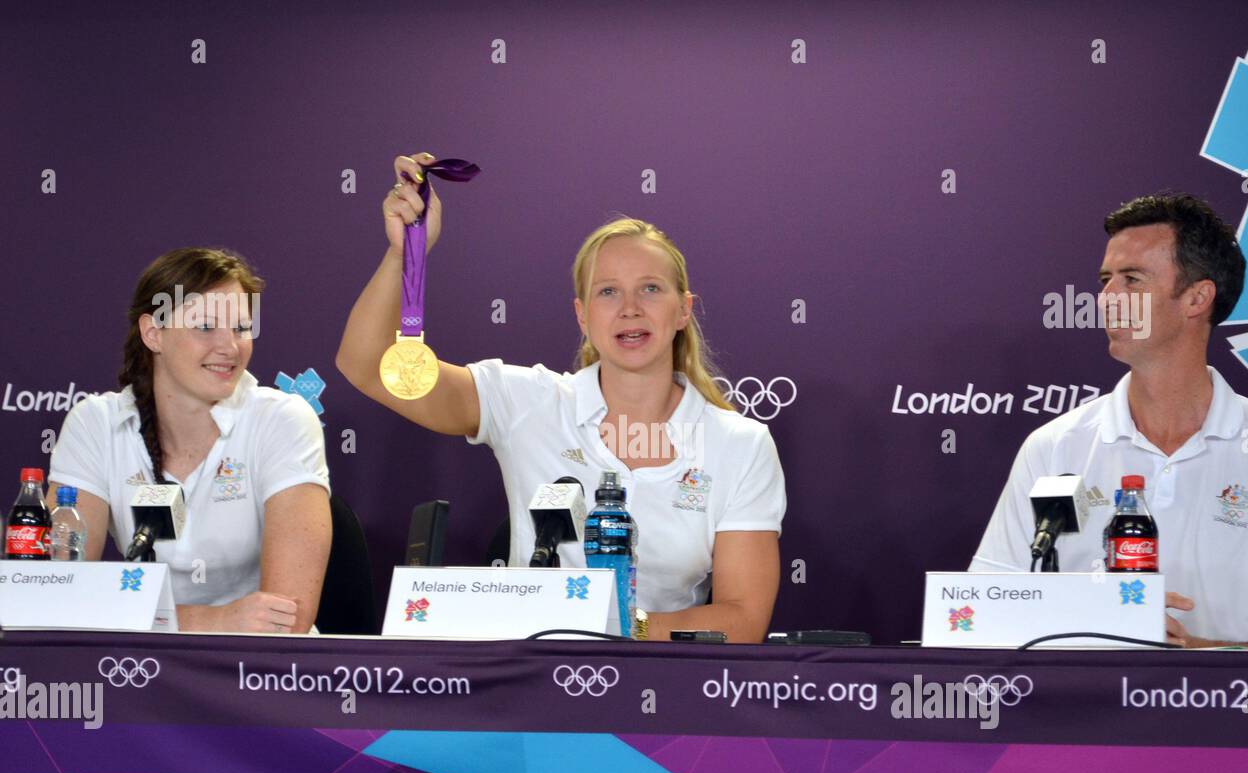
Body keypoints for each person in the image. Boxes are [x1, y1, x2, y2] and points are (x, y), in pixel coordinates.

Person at [336, 152, 785, 643]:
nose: (631, 309)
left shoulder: (741, 445)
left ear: (683, 310)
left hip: (663, 692)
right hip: (535, 690)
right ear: (582, 315)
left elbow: (743, 620)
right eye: (608, 292)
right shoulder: (527, 401)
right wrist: (407, 254)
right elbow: (366, 365)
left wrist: (616, 627)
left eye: (651, 289)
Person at [970, 193, 1248, 647]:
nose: (1105, 299)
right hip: (1078, 714)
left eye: (1132, 280)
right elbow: (983, 612)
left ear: (1197, 298)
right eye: (1105, 279)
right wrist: (1100, 621)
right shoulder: (1054, 447)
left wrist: (1192, 653)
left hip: (1222, 716)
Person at [48, 247, 332, 633]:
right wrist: (218, 620)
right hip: (141, 669)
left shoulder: (283, 419)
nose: (229, 347)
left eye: (241, 328)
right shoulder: (96, 424)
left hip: (263, 672)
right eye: (205, 327)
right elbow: (56, 595)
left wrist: (131, 617)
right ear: (153, 334)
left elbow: (287, 621)